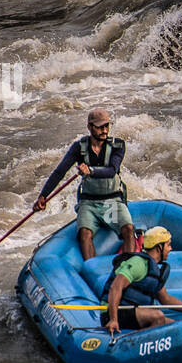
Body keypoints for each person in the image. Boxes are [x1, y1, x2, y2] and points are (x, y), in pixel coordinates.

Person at [33, 108, 135, 261]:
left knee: (128, 229)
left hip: (112, 201)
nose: (104, 130)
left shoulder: (118, 146)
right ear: (90, 127)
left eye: (107, 126)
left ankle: (129, 267)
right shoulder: (78, 148)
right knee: (85, 234)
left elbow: (112, 170)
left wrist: (91, 170)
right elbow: (59, 172)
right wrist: (43, 196)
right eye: (100, 127)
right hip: (89, 203)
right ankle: (91, 268)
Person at [101, 226, 182, 336]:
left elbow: (166, 299)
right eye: (168, 245)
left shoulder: (154, 270)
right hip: (114, 312)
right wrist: (113, 319)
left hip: (133, 313)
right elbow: (115, 287)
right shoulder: (138, 263)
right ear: (159, 247)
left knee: (174, 326)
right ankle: (130, 341)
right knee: (158, 316)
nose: (170, 249)